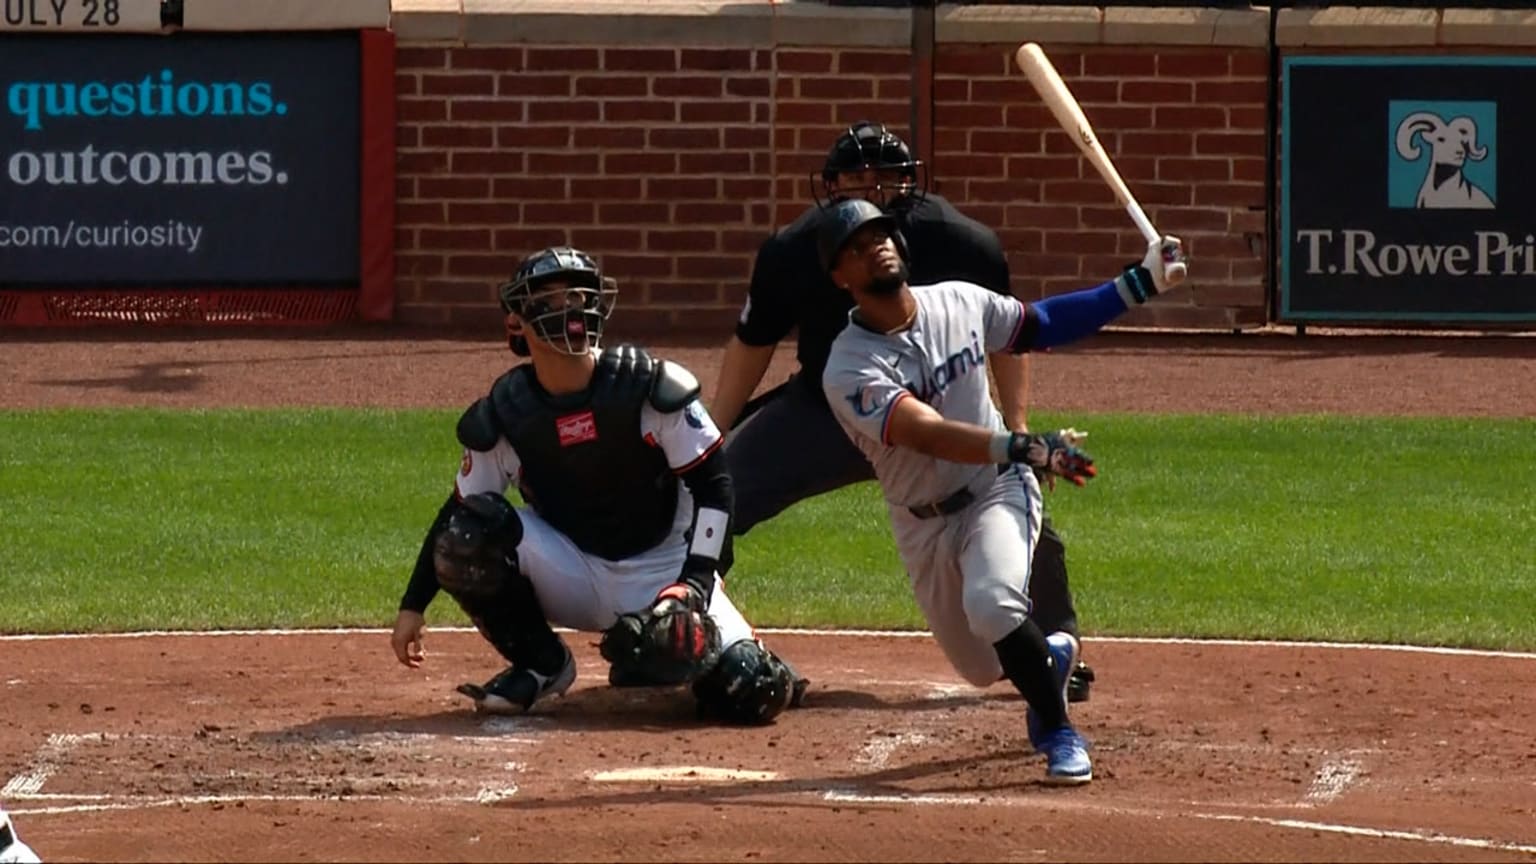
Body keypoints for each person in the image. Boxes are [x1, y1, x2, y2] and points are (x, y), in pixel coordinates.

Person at [711, 121, 1094, 701]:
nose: (872, 185)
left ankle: (1050, 647)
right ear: (831, 185)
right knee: (718, 494)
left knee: (1014, 506)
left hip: (947, 408)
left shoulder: (961, 241)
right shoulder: (796, 248)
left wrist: (1017, 430)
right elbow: (753, 342)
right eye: (856, 175)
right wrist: (713, 435)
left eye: (886, 174)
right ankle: (694, 631)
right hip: (828, 411)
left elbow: (1009, 338)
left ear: (909, 183)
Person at [817, 197, 1187, 783]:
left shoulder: (960, 301)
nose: (876, 250)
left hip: (995, 490)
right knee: (982, 668)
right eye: (857, 249)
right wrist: (1022, 445)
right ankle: (1052, 657)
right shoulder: (847, 368)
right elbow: (925, 433)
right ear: (841, 277)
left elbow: (1040, 325)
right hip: (922, 523)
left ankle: (1057, 731)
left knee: (993, 605)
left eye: (880, 237)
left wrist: (1138, 284)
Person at [390, 246, 803, 726]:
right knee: (467, 532)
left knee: (753, 689)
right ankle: (541, 664)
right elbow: (457, 512)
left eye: (577, 296)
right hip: (571, 568)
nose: (567, 309)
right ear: (515, 322)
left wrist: (694, 583)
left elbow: (716, 487)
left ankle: (681, 657)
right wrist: (413, 605)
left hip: (665, 570)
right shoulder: (507, 414)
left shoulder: (647, 387)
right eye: (549, 299)